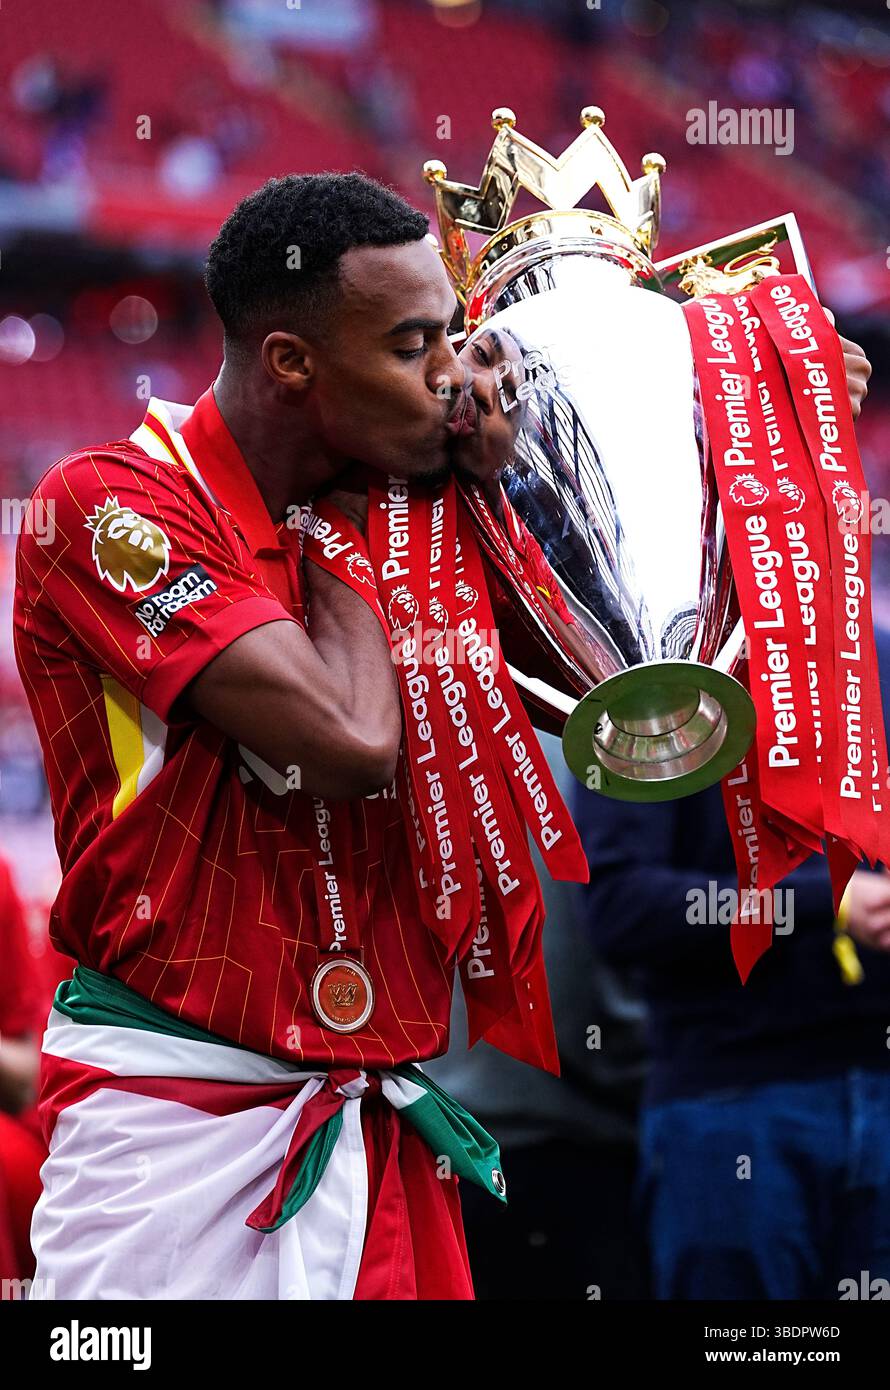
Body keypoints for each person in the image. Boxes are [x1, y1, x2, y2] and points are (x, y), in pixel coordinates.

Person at [13, 172, 507, 1302]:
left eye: (452, 343)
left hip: (378, 1121)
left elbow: (613, 684)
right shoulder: (104, 506)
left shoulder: (400, 518)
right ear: (292, 362)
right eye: (411, 347)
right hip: (175, 1133)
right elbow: (345, 739)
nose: (446, 384)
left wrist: (742, 418)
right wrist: (348, 524)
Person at [573, 615, 890, 1301]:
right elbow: (621, 905)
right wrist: (824, 906)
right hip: (731, 1106)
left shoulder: (877, 662)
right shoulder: (658, 684)